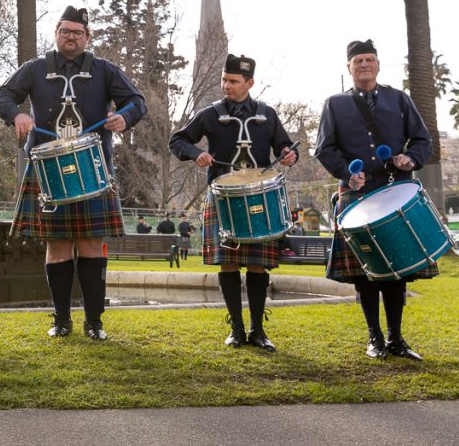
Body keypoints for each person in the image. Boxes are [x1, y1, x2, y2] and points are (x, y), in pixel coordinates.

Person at [0, 6, 146, 341]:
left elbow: (137, 101)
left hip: (93, 168)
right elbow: (1, 96)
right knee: (58, 245)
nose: (70, 37)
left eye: (77, 32)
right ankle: (61, 320)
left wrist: (125, 117)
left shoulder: (104, 70)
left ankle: (94, 322)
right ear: (56, 32)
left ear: (87, 36)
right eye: (65, 31)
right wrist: (16, 115)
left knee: (91, 244)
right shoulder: (35, 69)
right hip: (47, 169)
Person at [169, 54, 297, 352]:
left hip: (259, 198)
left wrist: (290, 155)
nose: (227, 85)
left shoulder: (267, 114)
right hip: (223, 198)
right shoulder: (211, 114)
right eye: (224, 80)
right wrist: (195, 153)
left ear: (249, 83)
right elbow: (177, 140)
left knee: (257, 266)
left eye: (234, 81)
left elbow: (284, 146)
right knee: (228, 264)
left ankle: (258, 330)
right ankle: (236, 329)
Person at [315, 39, 434, 361]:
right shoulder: (335, 104)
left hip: (395, 188)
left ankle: (396, 338)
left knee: (396, 267)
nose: (364, 65)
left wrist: (410, 159)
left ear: (378, 64)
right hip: (356, 192)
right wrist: (346, 173)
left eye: (369, 59)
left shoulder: (399, 99)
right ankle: (375, 338)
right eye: (358, 61)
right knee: (363, 270)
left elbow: (423, 140)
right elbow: (324, 149)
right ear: (349, 68)